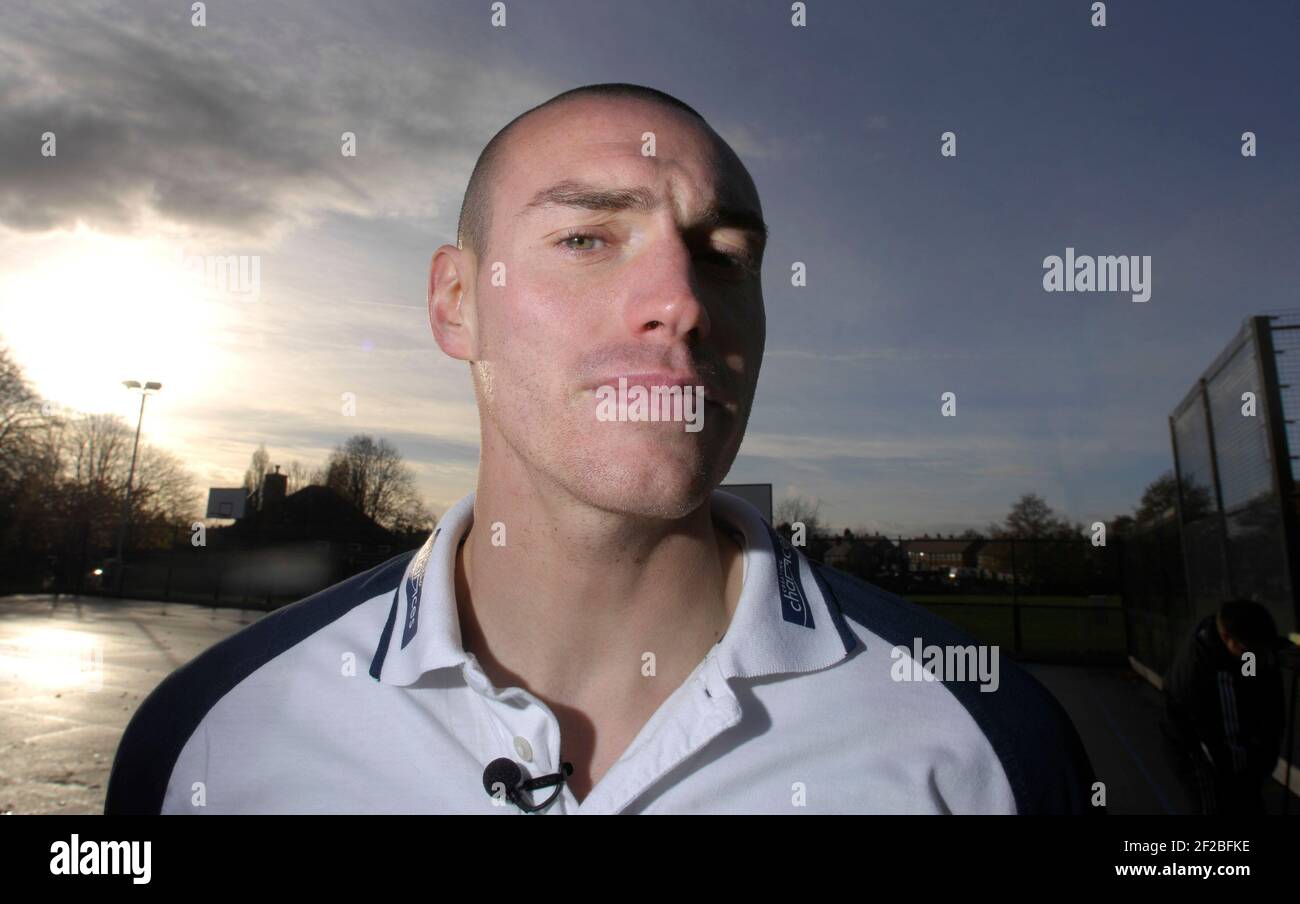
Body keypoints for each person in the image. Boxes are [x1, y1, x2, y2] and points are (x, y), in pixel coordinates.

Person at [105, 83, 1097, 814]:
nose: (678, 301)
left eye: (724, 257)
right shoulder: (213, 738)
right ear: (456, 304)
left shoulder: (987, 739)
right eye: (586, 239)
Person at [1160, 599, 1285, 814]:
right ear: (1228, 638)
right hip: (1193, 749)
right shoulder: (1207, 674)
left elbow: (1250, 670)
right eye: (1249, 650)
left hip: (1221, 749)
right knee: (1214, 805)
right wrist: (1250, 777)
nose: (1255, 656)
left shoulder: (1222, 632)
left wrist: (1283, 649)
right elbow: (1226, 742)